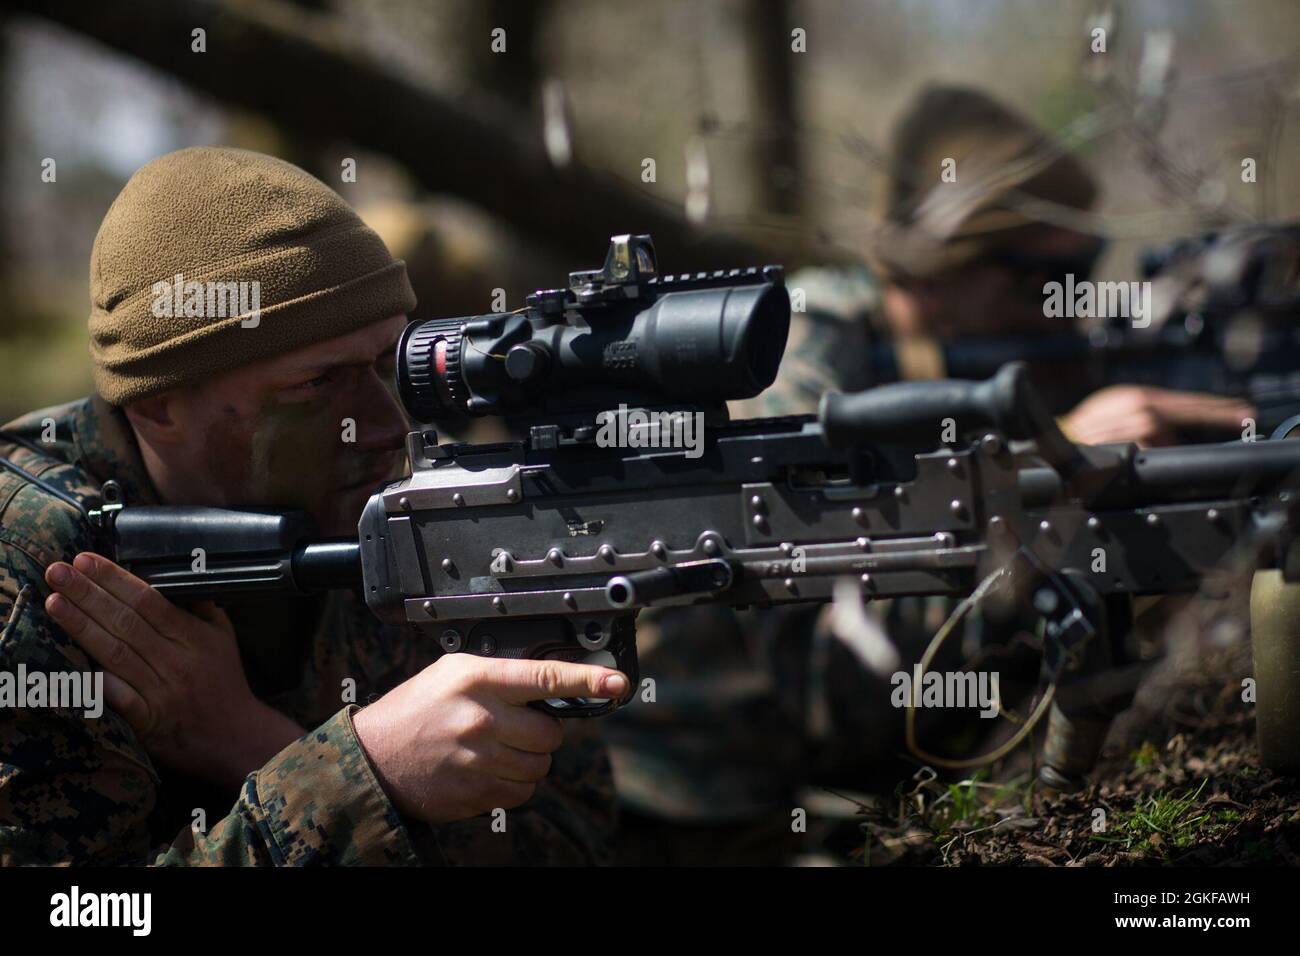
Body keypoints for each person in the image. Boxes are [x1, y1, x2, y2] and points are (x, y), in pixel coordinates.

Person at [603, 84, 1252, 865]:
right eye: (1036, 277)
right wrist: (1046, 468)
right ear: (938, 264)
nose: (1065, 306)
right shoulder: (797, 349)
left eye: (1083, 270)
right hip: (699, 807)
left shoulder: (1027, 352)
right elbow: (828, 675)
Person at [0, 147, 627, 866]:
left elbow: (573, 842)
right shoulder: (38, 572)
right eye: (318, 383)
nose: (389, 425)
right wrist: (363, 777)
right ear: (159, 405)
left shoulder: (424, 515)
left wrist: (249, 741)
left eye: (388, 364)